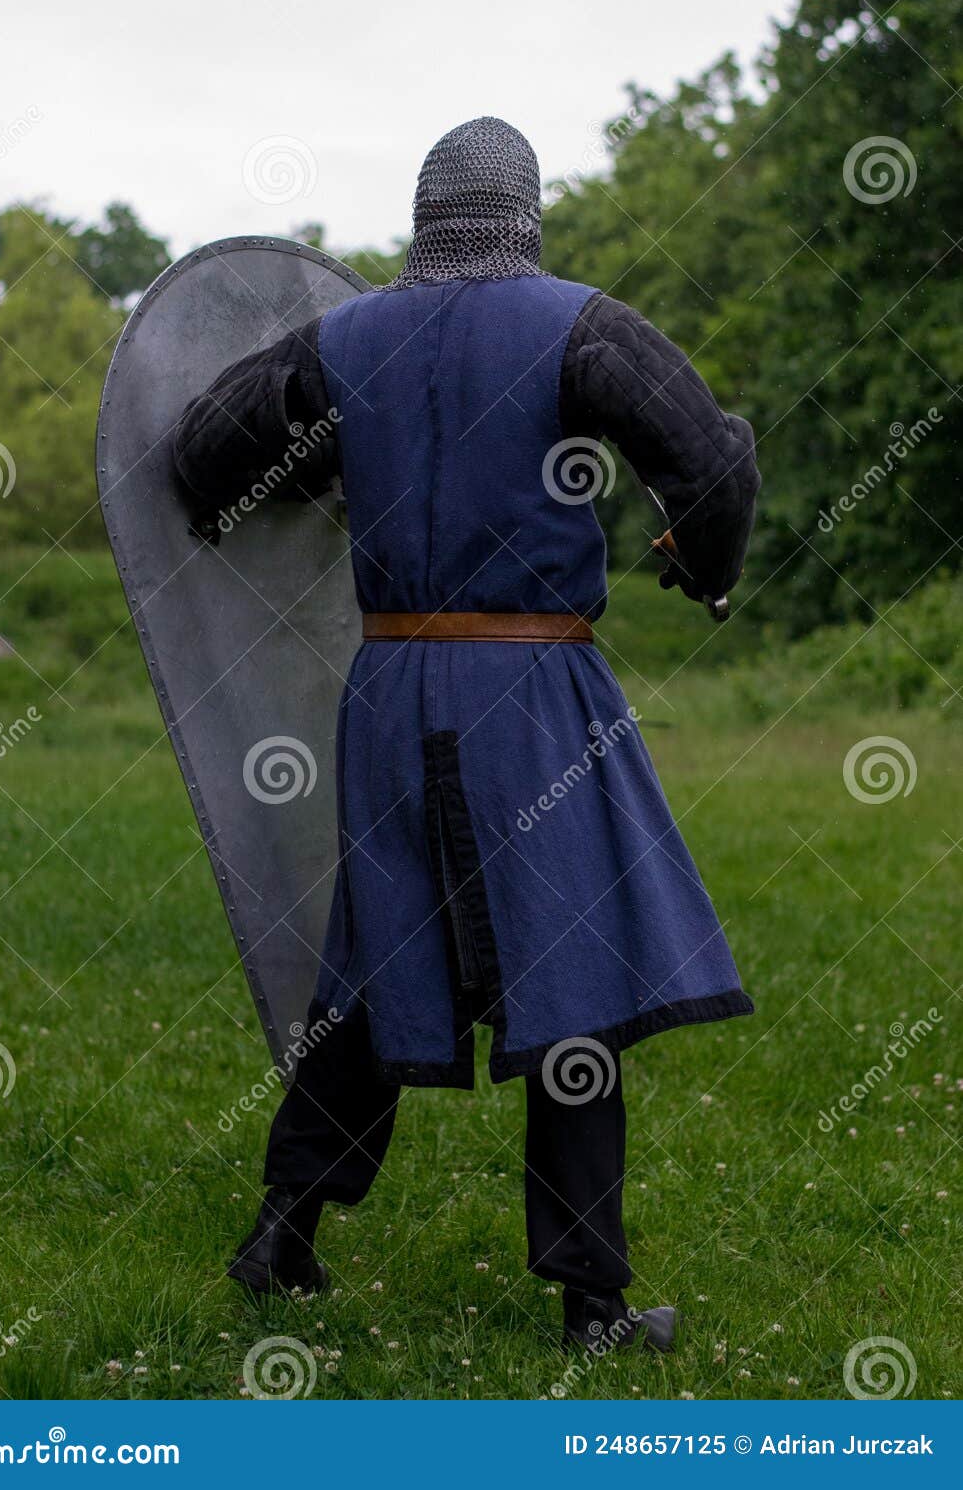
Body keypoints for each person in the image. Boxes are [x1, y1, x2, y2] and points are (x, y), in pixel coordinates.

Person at [172, 117, 760, 1354]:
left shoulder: (344, 340)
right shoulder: (579, 326)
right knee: (573, 971)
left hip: (387, 690)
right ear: (523, 213)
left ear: (423, 217)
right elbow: (709, 461)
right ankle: (591, 1306)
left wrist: (301, 476)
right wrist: (699, 563)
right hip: (530, 693)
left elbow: (204, 447)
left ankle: (281, 1232)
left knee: (373, 961)